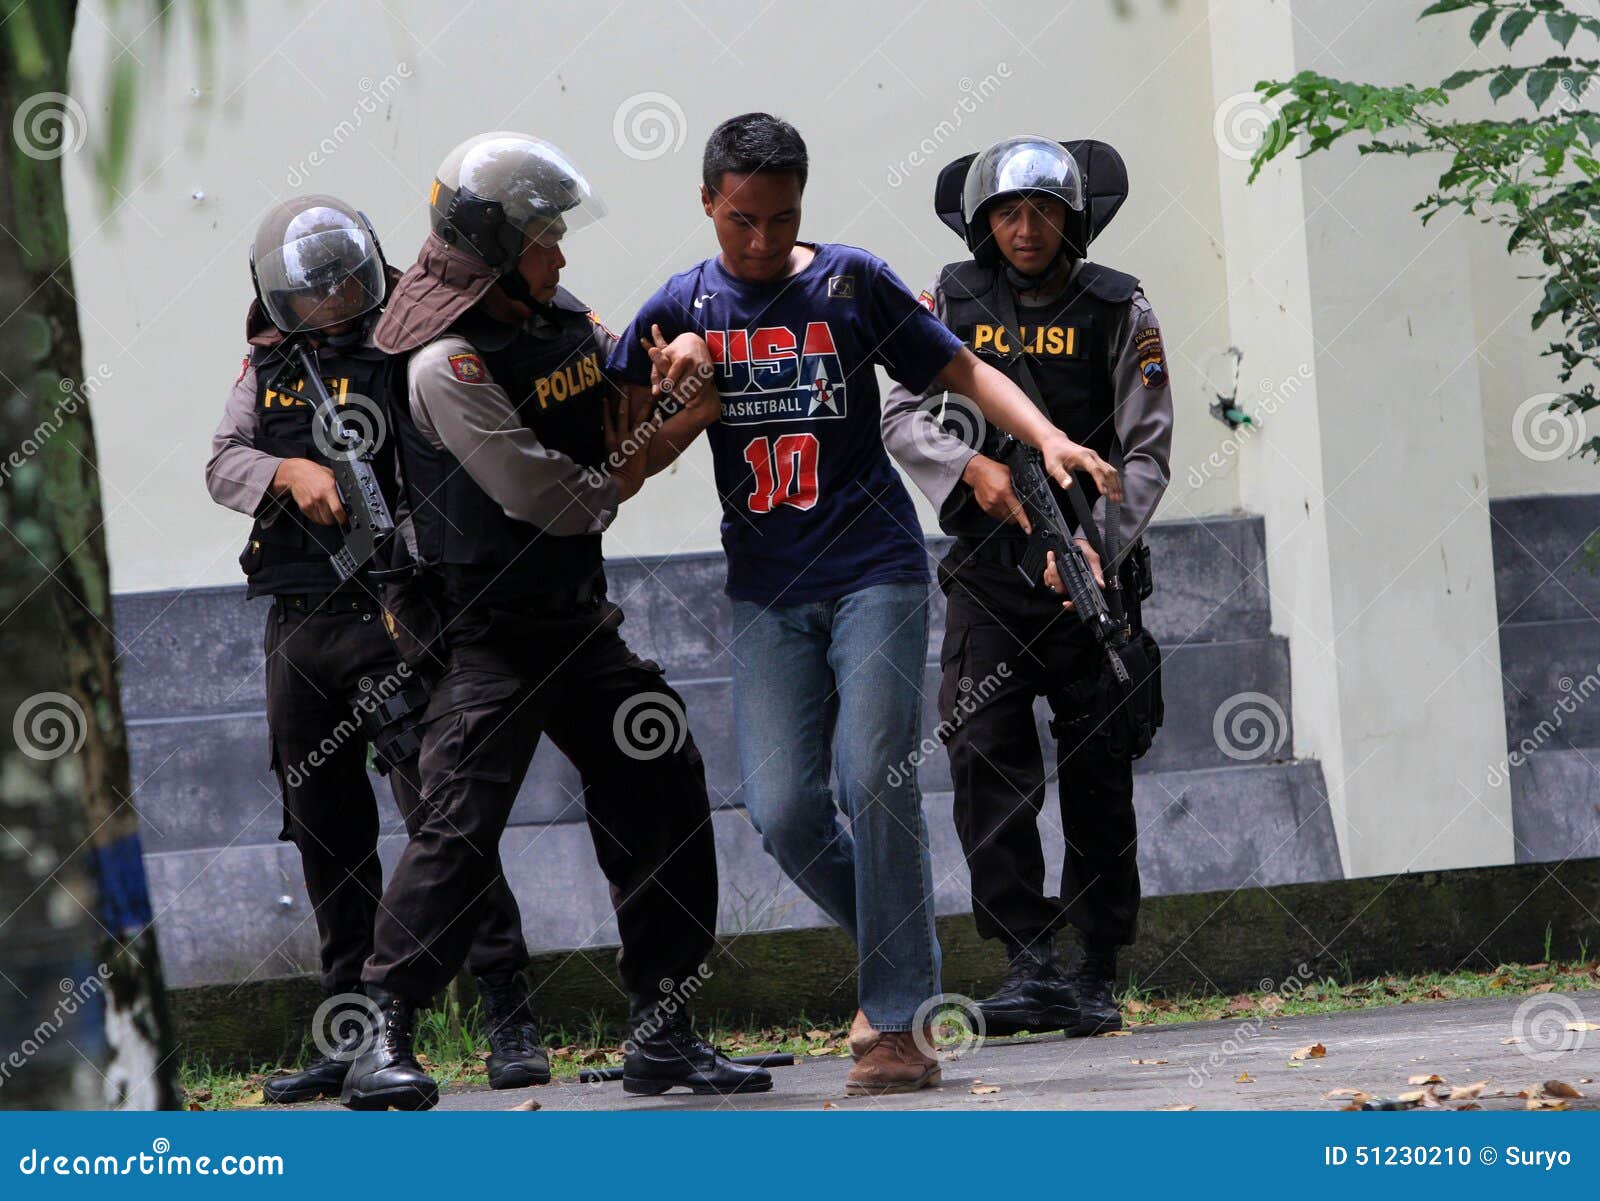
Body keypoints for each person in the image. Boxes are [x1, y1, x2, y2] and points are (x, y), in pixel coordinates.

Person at [609, 113, 1121, 1095]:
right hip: (765, 588)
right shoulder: (682, 307)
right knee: (785, 808)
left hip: (873, 572)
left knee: (870, 775)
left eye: (780, 219)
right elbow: (619, 461)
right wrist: (677, 397)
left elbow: (960, 370)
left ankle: (894, 1023)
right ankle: (913, 975)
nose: (759, 243)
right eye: (740, 221)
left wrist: (1046, 439)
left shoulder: (850, 281)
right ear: (708, 205)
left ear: (803, 206)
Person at [341, 133, 770, 1110]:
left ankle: (664, 1033)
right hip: (487, 633)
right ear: (492, 249)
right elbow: (554, 497)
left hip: (578, 624)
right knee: (456, 825)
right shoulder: (441, 363)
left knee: (661, 772)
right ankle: (378, 1036)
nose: (562, 256)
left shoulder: (561, 318)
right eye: (544, 238)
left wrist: (668, 375)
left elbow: (622, 401)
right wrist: (662, 434)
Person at [204, 196, 543, 1103]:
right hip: (299, 624)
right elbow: (222, 460)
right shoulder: (268, 362)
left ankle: (508, 1006)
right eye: (312, 289)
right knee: (325, 828)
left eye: (344, 279)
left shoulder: (405, 345)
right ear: (283, 296)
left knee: (441, 813)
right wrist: (288, 470)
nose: (334, 298)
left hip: (394, 614)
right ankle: (348, 1030)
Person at [882, 135, 1172, 1037]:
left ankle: (1094, 965)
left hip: (1091, 571)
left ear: (1073, 217)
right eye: (1007, 212)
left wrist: (1094, 542)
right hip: (987, 574)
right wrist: (971, 468)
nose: (1026, 227)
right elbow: (898, 411)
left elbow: (1148, 449)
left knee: (1097, 768)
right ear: (982, 223)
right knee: (985, 758)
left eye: (1043, 210)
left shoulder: (1122, 306)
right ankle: (1027, 960)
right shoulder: (947, 302)